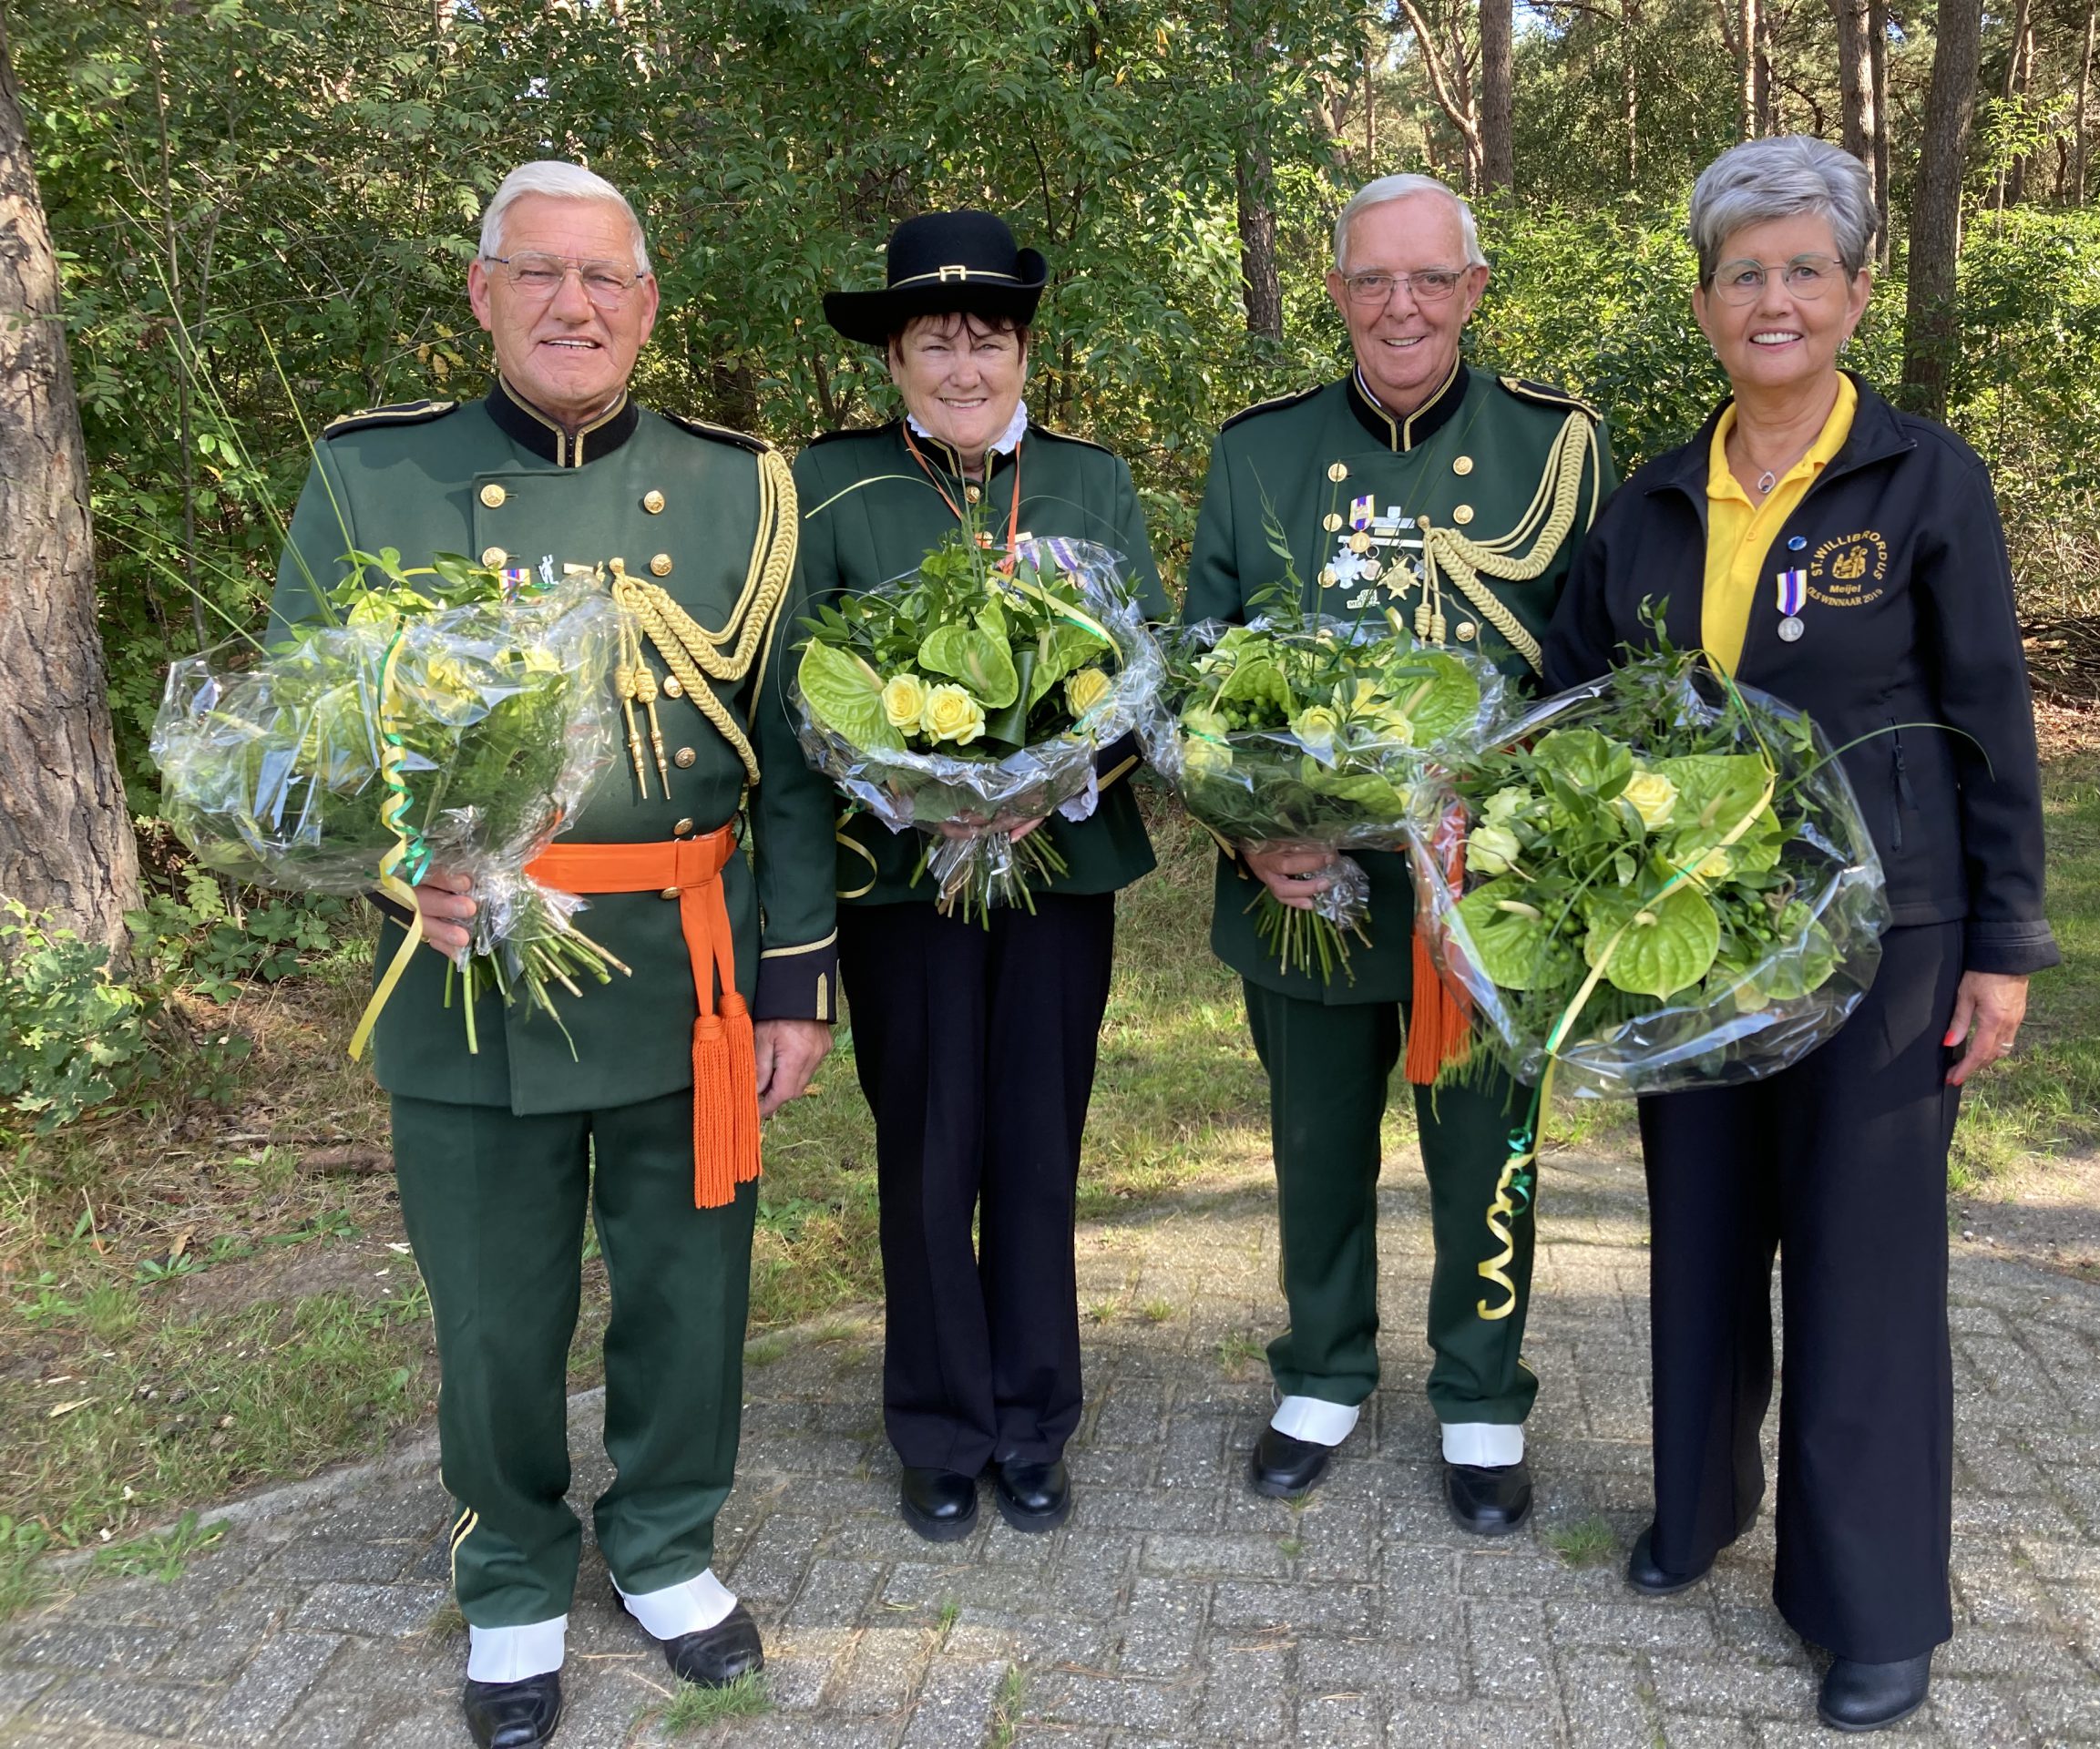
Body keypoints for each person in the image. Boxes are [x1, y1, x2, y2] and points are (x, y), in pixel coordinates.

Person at [269, 161, 837, 1749]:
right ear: (482, 293)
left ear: (647, 306)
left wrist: (798, 979)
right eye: (538, 275)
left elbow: (792, 760)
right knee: (499, 1311)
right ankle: (512, 1573)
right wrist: (401, 877)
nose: (572, 307)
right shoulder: (375, 477)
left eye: (603, 280)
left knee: (688, 1286)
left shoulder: (744, 488)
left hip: (691, 963)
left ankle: (663, 1542)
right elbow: (298, 731)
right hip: (470, 979)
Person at [1542, 136, 2059, 1733]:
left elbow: (1990, 719)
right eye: (1744, 271)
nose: (1773, 298)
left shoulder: (1925, 480)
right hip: (1683, 936)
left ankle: (1872, 1604)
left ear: (1850, 293)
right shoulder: (1642, 501)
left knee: (1863, 1262)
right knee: (1701, 1232)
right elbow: (1564, 702)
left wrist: (2002, 945)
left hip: (1887, 944)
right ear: (1705, 303)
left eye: (1803, 270)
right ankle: (1699, 1509)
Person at [1183, 173, 1615, 1536]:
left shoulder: (1559, 446)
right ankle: (1321, 1373)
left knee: (1487, 1157)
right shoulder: (1258, 452)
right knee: (1315, 1151)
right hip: (1311, 891)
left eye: (1430, 278)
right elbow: (1196, 667)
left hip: (1489, 897)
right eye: (1373, 280)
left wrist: (1535, 838)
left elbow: (1598, 674)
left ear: (1476, 290)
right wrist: (1249, 834)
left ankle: (1482, 1396)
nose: (1402, 305)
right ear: (1337, 295)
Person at [800, 210, 1169, 1542]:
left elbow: (1142, 674)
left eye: (991, 338)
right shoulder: (829, 486)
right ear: (892, 358)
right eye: (936, 341)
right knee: (927, 1149)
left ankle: (1034, 1416)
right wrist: (921, 793)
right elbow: (805, 685)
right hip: (901, 892)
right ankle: (940, 1425)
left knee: (1034, 1147)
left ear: (1025, 351)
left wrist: (1040, 786)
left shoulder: (1091, 480)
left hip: (1056, 872)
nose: (967, 366)